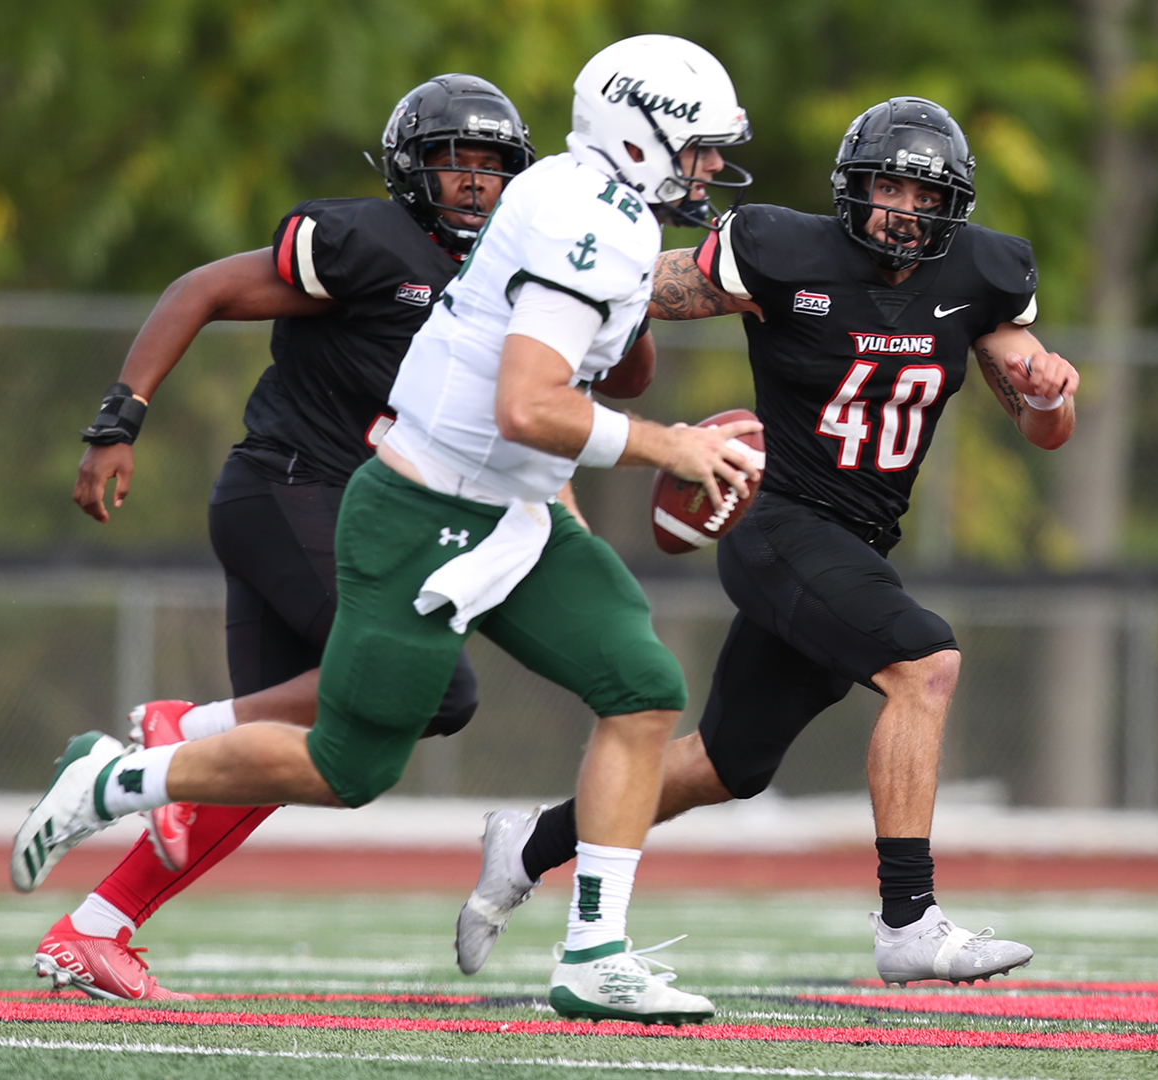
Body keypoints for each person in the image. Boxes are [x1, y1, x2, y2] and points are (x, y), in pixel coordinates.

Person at [13, 35, 758, 1026]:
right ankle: (141, 761)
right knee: (348, 757)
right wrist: (666, 447)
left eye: (491, 163)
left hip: (502, 505)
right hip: (371, 497)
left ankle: (595, 952)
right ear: (640, 136)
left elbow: (605, 371)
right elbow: (529, 405)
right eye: (699, 146)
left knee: (641, 686)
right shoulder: (442, 232)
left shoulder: (581, 208)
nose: (475, 183)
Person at [456, 97, 1078, 987]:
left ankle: (527, 845)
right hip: (779, 523)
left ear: (954, 208)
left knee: (723, 766)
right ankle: (908, 917)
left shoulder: (983, 276)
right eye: (886, 185)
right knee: (925, 663)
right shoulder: (783, 250)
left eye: (922, 191)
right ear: (851, 190)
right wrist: (531, 325)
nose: (902, 207)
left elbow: (1043, 426)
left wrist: (1052, 394)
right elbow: (632, 285)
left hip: (859, 544)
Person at [30, 74, 546, 1002]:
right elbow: (201, 288)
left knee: (278, 757)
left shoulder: (514, 275)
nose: (473, 181)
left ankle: (93, 930)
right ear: (409, 168)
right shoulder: (368, 242)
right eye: (452, 160)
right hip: (292, 491)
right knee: (437, 684)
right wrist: (118, 421)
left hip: (357, 512)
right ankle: (171, 733)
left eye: (491, 164)